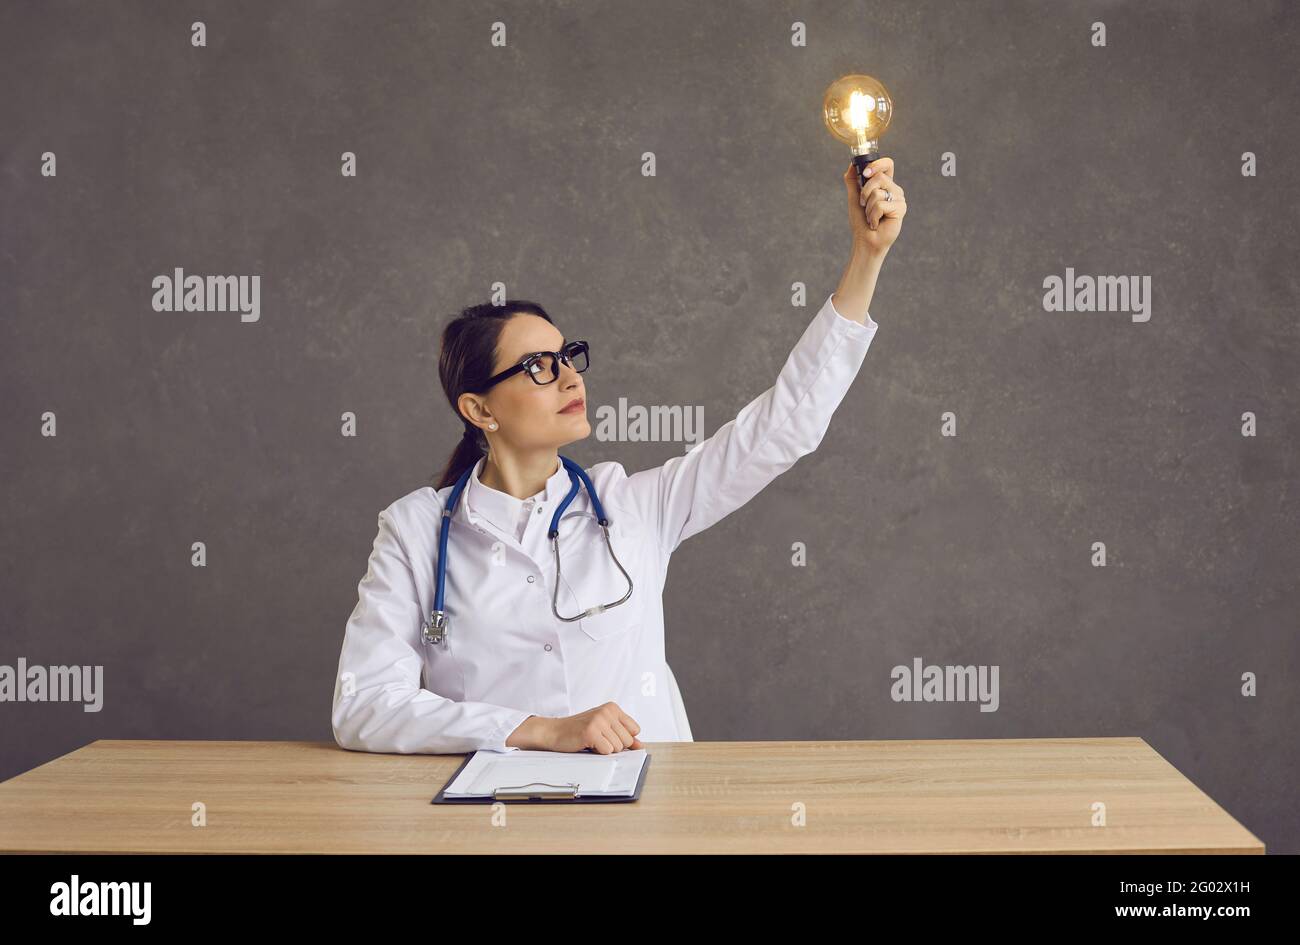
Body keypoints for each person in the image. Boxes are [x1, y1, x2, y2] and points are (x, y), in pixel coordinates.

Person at [332, 158, 907, 755]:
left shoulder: (633, 507)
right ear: (479, 410)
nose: (568, 379)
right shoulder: (415, 531)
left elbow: (785, 425)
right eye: (537, 368)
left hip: (642, 826)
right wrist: (537, 730)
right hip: (494, 829)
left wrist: (867, 256)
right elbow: (363, 704)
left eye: (567, 356)